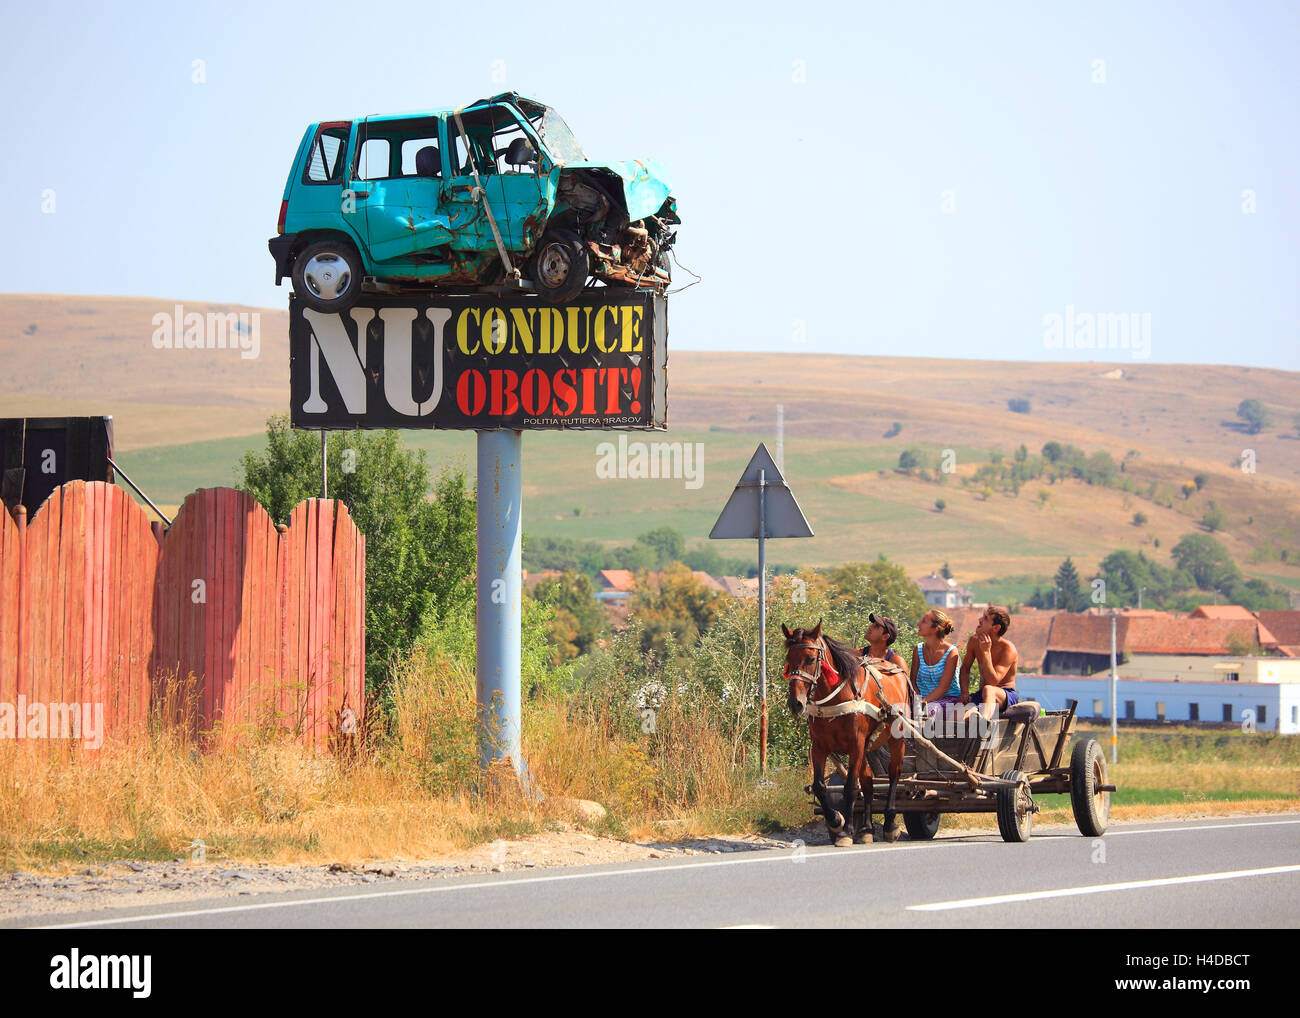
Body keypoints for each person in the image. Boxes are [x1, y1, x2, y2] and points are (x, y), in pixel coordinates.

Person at [959, 605, 1019, 720]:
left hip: (1004, 694)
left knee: (988, 689)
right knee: (958, 712)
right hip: (982, 694)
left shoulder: (1008, 648)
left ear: (996, 628)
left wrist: (986, 652)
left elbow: (992, 681)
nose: (979, 620)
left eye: (985, 618)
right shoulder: (974, 640)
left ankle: (984, 721)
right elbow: (965, 668)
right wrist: (965, 693)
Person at [910, 609, 962, 716]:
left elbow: (943, 687)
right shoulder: (918, 649)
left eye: (924, 621)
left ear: (935, 629)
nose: (918, 623)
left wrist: (923, 703)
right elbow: (913, 682)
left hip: (948, 700)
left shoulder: (951, 652)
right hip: (922, 702)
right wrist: (918, 701)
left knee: (929, 710)